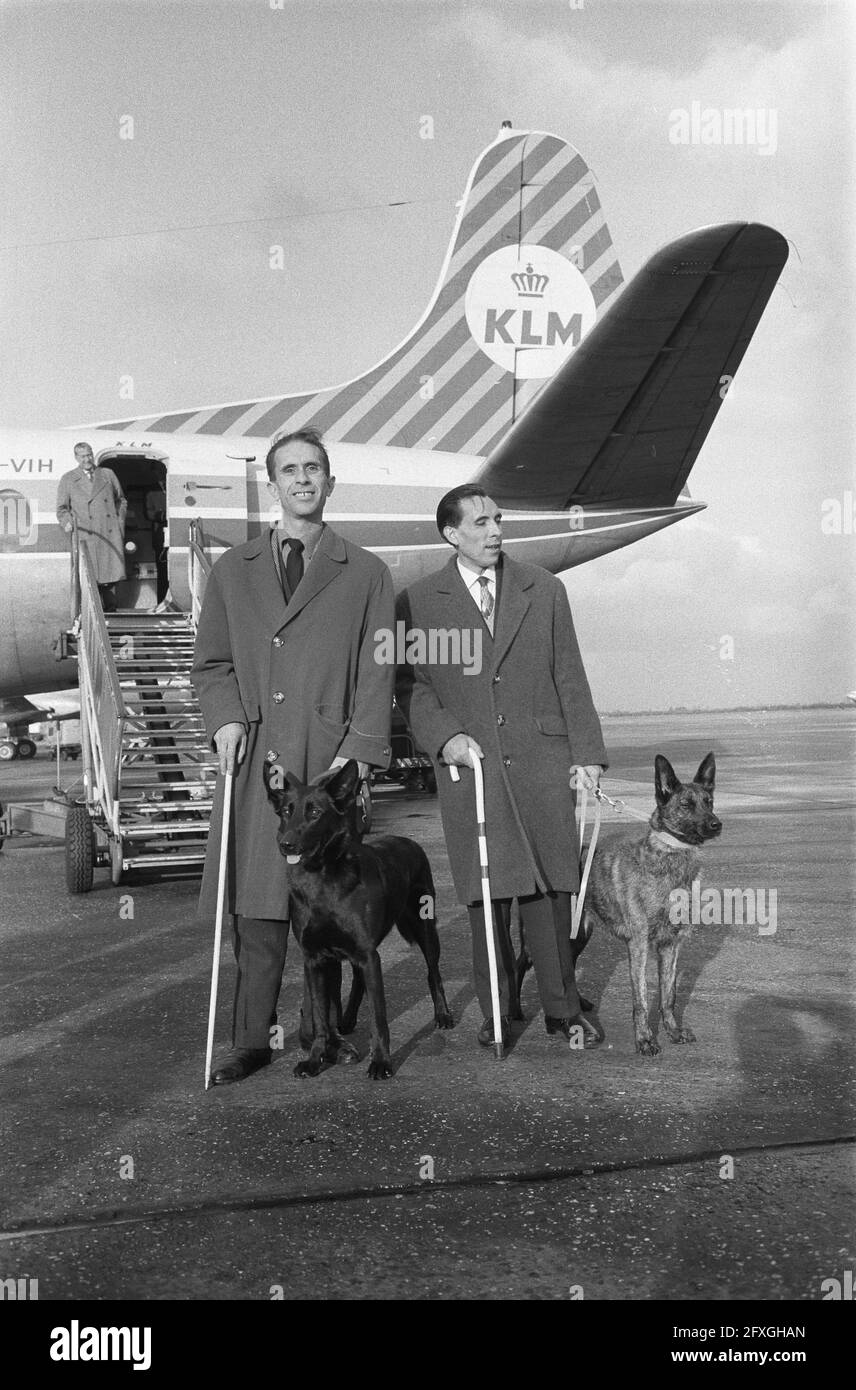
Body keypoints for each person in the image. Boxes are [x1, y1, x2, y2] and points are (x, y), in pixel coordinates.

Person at [192, 428, 395, 1085]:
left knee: (330, 904)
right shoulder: (232, 570)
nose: (303, 480)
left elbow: (378, 672)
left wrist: (358, 753)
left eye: (314, 469)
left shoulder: (366, 573)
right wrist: (223, 721)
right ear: (273, 484)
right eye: (290, 471)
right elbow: (212, 665)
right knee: (257, 908)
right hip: (256, 764)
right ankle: (252, 1040)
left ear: (329, 483)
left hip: (327, 771)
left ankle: (325, 1030)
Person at [395, 484, 607, 1049]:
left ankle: (562, 1010)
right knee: (487, 894)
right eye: (481, 523)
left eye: (498, 520)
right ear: (451, 534)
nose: (494, 532)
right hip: (471, 767)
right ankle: (498, 1013)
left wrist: (586, 755)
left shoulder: (546, 589)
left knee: (551, 889)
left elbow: (570, 675)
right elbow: (412, 689)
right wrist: (447, 739)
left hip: (543, 760)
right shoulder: (417, 602)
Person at [56, 442, 127, 610]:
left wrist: (119, 522)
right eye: (82, 456)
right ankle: (94, 618)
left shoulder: (107, 474)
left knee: (110, 580)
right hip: (85, 536)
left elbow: (121, 500)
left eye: (89, 455)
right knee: (89, 581)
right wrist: (67, 523)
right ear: (76, 458)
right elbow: (61, 509)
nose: (87, 459)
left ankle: (111, 614)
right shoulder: (68, 478)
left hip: (108, 534)